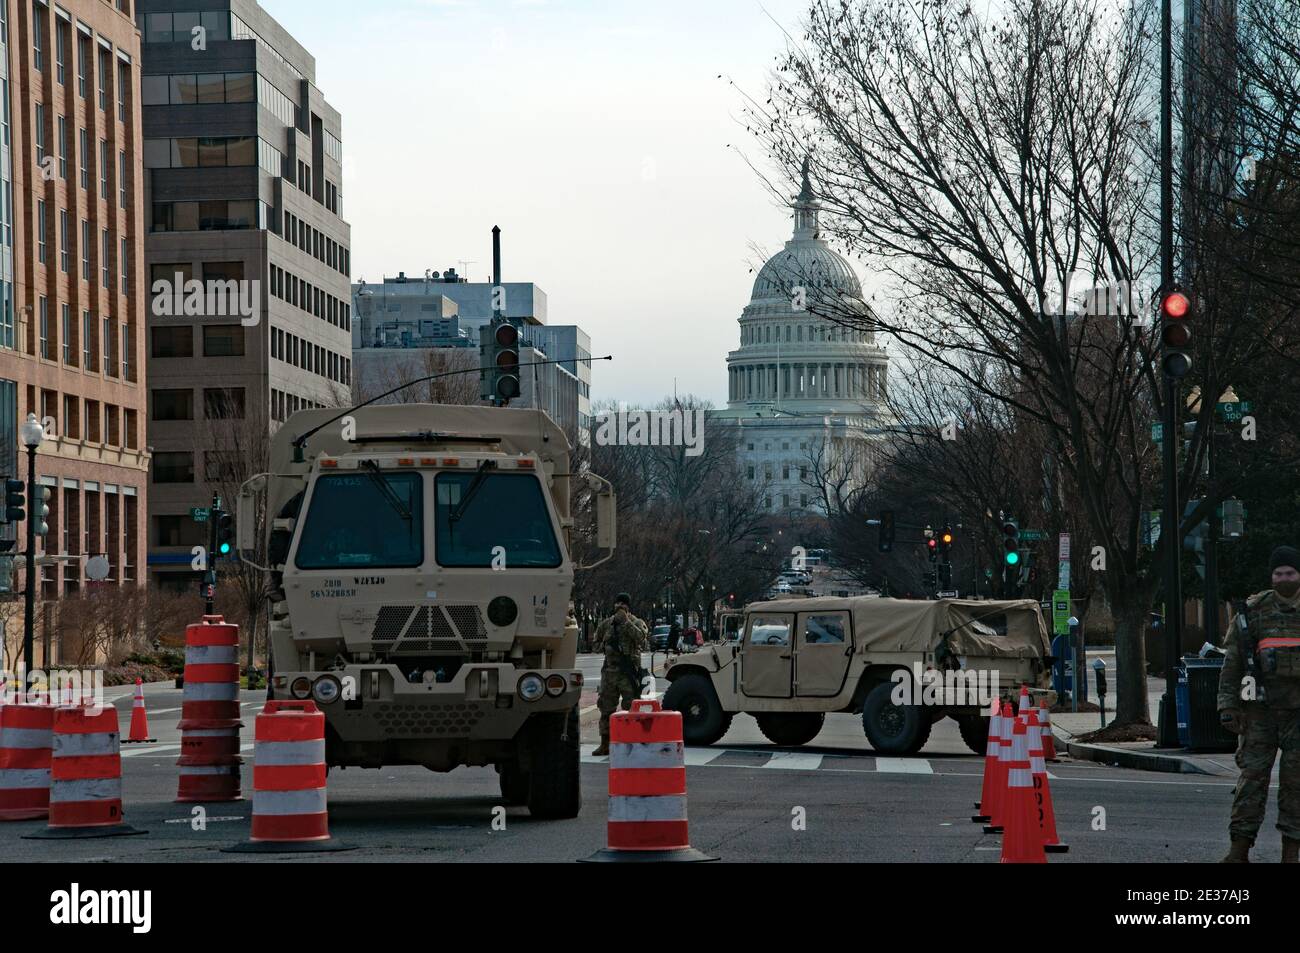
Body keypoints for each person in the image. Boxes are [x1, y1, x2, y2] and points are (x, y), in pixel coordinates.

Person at [1217, 545, 1300, 863]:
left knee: (1296, 785)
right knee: (1251, 781)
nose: (1284, 578)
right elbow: (1233, 664)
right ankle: (1238, 851)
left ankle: (1291, 853)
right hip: (1260, 712)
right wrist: (1228, 705)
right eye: (1278, 573)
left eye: (1290, 572)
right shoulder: (1253, 611)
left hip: (1297, 714)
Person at [591, 593, 649, 757]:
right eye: (617, 603)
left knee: (631, 708)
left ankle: (631, 741)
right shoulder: (606, 624)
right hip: (610, 672)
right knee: (606, 707)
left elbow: (642, 639)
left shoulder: (636, 622)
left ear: (628, 607)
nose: (619, 607)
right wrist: (605, 645)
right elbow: (595, 644)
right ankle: (605, 743)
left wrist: (626, 622)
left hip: (628, 673)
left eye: (623, 604)